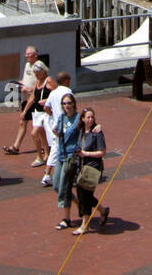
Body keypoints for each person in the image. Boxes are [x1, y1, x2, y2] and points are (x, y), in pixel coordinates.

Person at [73, 106, 110, 236]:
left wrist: (86, 153)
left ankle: (85, 224)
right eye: (88, 117)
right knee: (84, 194)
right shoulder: (81, 132)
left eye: (92, 117)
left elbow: (102, 152)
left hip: (93, 167)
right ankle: (103, 210)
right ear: (82, 119)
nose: (90, 119)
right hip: (81, 167)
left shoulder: (97, 132)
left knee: (84, 195)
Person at [3, 45, 42, 155]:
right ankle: (15, 147)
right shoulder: (27, 65)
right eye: (26, 54)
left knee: (38, 126)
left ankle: (45, 147)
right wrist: (17, 84)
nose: (27, 56)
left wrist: (28, 89)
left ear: (35, 55)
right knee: (23, 122)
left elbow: (40, 84)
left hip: (35, 100)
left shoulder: (38, 66)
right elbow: (26, 80)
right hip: (26, 99)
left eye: (29, 54)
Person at [40, 71, 73, 187]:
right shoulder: (68, 92)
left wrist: (53, 116)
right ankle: (61, 175)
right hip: (67, 125)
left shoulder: (53, 93)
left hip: (56, 126)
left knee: (55, 148)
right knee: (68, 149)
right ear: (67, 81)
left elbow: (46, 107)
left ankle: (48, 175)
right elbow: (71, 108)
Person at [53, 93, 81, 228]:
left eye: (69, 103)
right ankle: (82, 204)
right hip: (61, 154)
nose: (67, 106)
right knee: (56, 186)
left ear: (74, 104)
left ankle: (66, 219)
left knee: (65, 186)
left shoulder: (78, 118)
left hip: (71, 156)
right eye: (64, 104)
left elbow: (89, 126)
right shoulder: (61, 117)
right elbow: (58, 133)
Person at [23, 61, 56, 167]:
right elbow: (33, 97)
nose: (36, 75)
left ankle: (39, 157)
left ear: (43, 71)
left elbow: (57, 94)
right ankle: (47, 154)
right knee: (42, 135)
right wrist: (25, 111)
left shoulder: (49, 80)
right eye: (35, 73)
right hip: (37, 112)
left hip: (45, 112)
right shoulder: (37, 82)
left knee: (34, 133)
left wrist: (46, 100)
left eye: (38, 73)